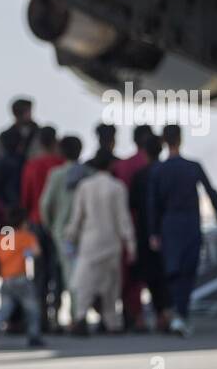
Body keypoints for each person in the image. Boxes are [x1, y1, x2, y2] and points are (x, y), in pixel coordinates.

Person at [147, 123, 217, 337]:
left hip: (169, 225)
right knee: (188, 271)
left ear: (164, 141)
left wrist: (153, 232)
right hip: (190, 223)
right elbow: (211, 191)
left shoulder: (158, 170)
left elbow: (153, 204)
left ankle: (177, 314)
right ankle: (182, 313)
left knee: (172, 271)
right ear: (180, 139)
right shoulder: (193, 166)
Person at [65, 151, 135, 335]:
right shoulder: (117, 187)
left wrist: (70, 237)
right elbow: (123, 219)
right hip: (112, 242)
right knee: (111, 285)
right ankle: (111, 321)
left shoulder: (85, 186)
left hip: (90, 241)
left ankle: (80, 317)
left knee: (86, 283)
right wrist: (130, 243)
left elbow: (77, 217)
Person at [113, 124, 157, 330]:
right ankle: (150, 316)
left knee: (127, 273)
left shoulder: (122, 165)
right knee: (149, 273)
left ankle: (129, 313)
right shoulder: (155, 167)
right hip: (149, 226)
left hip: (125, 225)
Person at [20, 124, 64, 331]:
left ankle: (41, 316)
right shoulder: (62, 165)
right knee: (58, 271)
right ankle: (56, 312)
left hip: (37, 224)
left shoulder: (32, 166)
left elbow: (26, 197)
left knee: (40, 273)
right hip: (58, 224)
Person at [39, 134, 86, 321]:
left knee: (70, 273)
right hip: (84, 229)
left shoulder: (56, 175)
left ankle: (76, 314)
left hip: (63, 231)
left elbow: (45, 204)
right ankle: (79, 311)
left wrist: (50, 226)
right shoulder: (87, 173)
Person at [0, 206, 43, 348]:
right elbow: (36, 252)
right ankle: (34, 336)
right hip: (22, 277)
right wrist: (26, 254)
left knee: (4, 309)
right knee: (32, 308)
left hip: (5, 279)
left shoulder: (4, 237)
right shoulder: (26, 236)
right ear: (24, 222)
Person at [128, 134, 168, 330]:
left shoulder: (140, 175)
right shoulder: (168, 172)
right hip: (167, 231)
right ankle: (164, 313)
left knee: (147, 275)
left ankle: (146, 316)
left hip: (144, 232)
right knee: (165, 274)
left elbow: (132, 204)